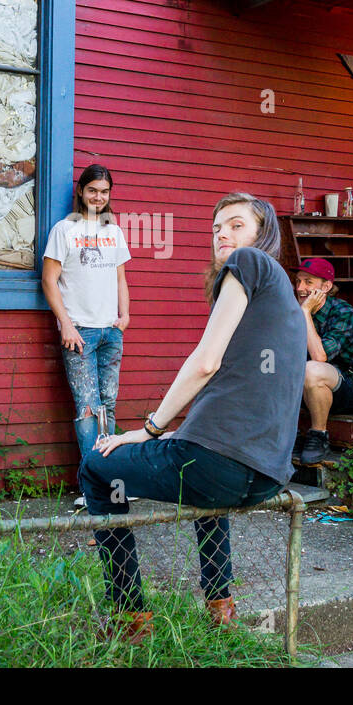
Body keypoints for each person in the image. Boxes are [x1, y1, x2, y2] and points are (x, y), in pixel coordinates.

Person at [78, 192, 306, 642]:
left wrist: (148, 430)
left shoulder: (248, 263)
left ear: (262, 236)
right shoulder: (283, 298)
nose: (223, 233)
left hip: (221, 465)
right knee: (201, 476)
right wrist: (182, 431)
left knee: (97, 468)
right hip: (266, 476)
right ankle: (220, 606)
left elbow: (205, 361)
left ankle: (130, 617)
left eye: (237, 224)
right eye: (217, 227)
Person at [41, 165, 132, 508]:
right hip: (79, 331)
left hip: (110, 331)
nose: (98, 197)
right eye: (92, 190)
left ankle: (114, 485)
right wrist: (65, 323)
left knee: (108, 405)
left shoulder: (114, 232)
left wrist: (123, 317)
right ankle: (92, 487)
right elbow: (49, 281)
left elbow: (120, 278)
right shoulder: (64, 230)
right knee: (88, 409)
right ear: (80, 191)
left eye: (104, 191)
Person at [293, 257, 353, 466]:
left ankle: (318, 436)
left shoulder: (344, 313)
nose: (300, 288)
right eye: (298, 281)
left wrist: (304, 313)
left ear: (326, 286)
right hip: (306, 389)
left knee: (312, 369)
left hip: (348, 389)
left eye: (308, 282)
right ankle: (283, 434)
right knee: (268, 364)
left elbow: (320, 357)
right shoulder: (290, 313)